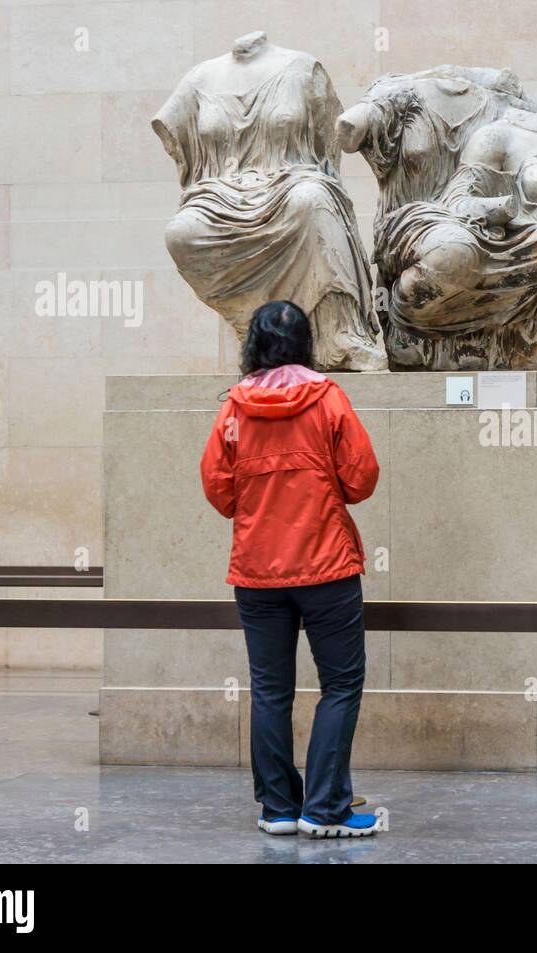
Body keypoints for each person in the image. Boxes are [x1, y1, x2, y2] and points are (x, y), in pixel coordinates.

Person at [199, 299, 381, 838]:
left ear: (252, 345)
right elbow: (362, 479)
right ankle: (325, 809)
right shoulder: (328, 400)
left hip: (257, 571)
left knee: (270, 690)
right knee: (341, 685)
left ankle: (278, 807)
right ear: (306, 344)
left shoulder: (234, 408)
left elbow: (218, 489)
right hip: (326, 566)